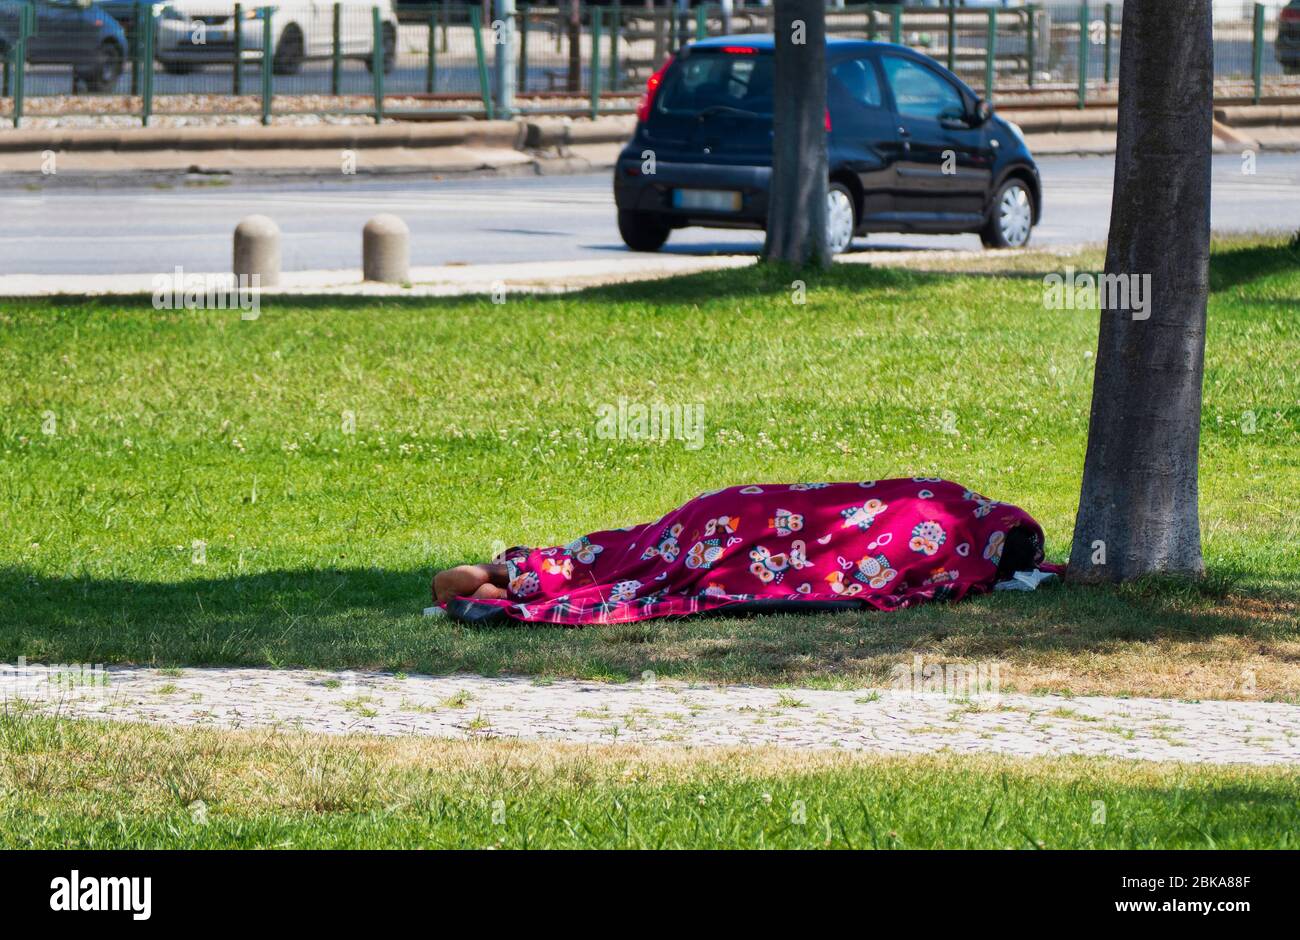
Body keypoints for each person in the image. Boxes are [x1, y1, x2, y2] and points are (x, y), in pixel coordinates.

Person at [431, 478, 1057, 626]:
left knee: (633, 551)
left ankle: (509, 571)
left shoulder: (941, 495)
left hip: (738, 506)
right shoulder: (955, 546)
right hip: (759, 544)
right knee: (661, 583)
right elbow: (895, 579)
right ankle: (493, 593)